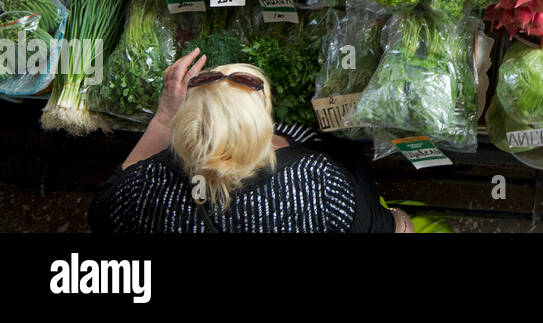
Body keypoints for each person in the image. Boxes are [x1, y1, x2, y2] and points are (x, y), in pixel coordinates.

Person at [88, 49, 410, 233]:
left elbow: (102, 209)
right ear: (264, 133)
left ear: (181, 134)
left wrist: (162, 117)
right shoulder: (316, 181)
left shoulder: (145, 191)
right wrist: (398, 218)